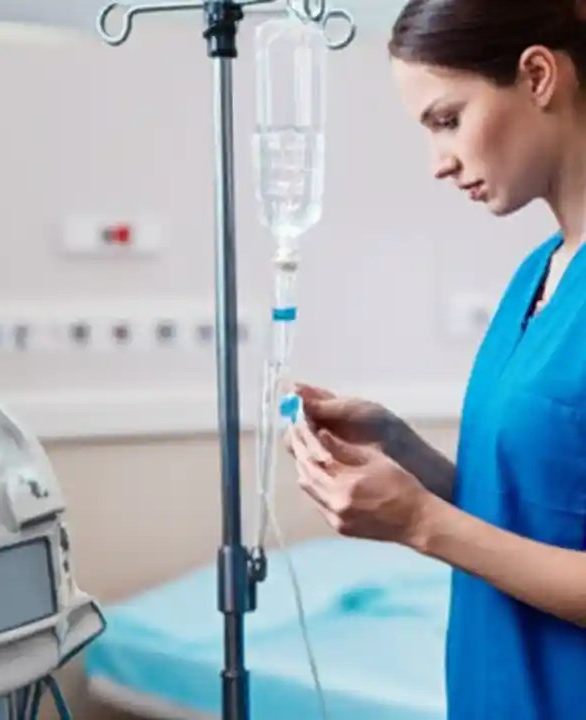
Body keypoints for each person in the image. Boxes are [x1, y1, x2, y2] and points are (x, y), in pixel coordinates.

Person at [285, 1, 586, 718]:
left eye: (447, 119)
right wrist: (400, 448)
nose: (439, 163)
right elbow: (530, 518)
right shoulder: (538, 276)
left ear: (538, 75)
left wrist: (422, 523)